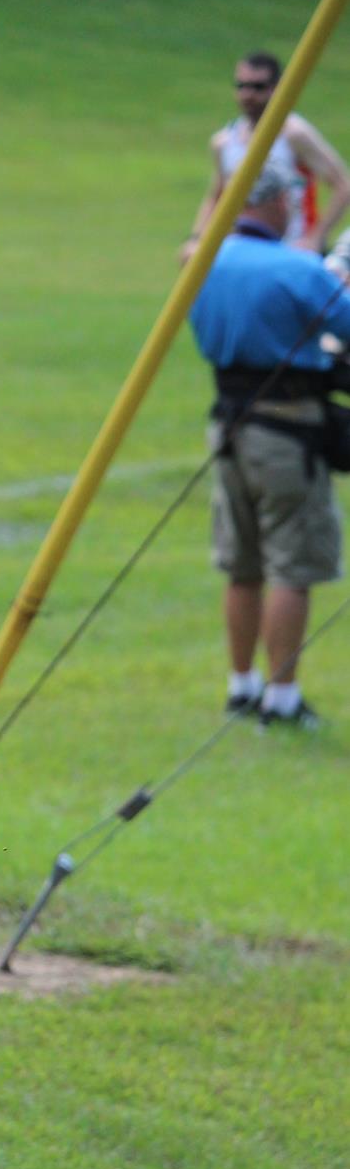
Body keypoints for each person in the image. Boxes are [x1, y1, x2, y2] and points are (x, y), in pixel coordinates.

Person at [190, 160, 350, 726]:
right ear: (279, 202)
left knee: (243, 564)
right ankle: (282, 699)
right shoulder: (297, 269)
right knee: (292, 566)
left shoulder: (205, 261)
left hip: (228, 429)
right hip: (289, 432)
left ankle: (242, 685)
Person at [181, 50, 350, 264]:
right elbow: (217, 195)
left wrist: (315, 239)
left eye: (258, 87)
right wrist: (197, 239)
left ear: (277, 88)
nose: (248, 94)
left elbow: (343, 185)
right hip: (246, 253)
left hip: (293, 254)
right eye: (241, 86)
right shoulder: (224, 142)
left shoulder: (294, 134)